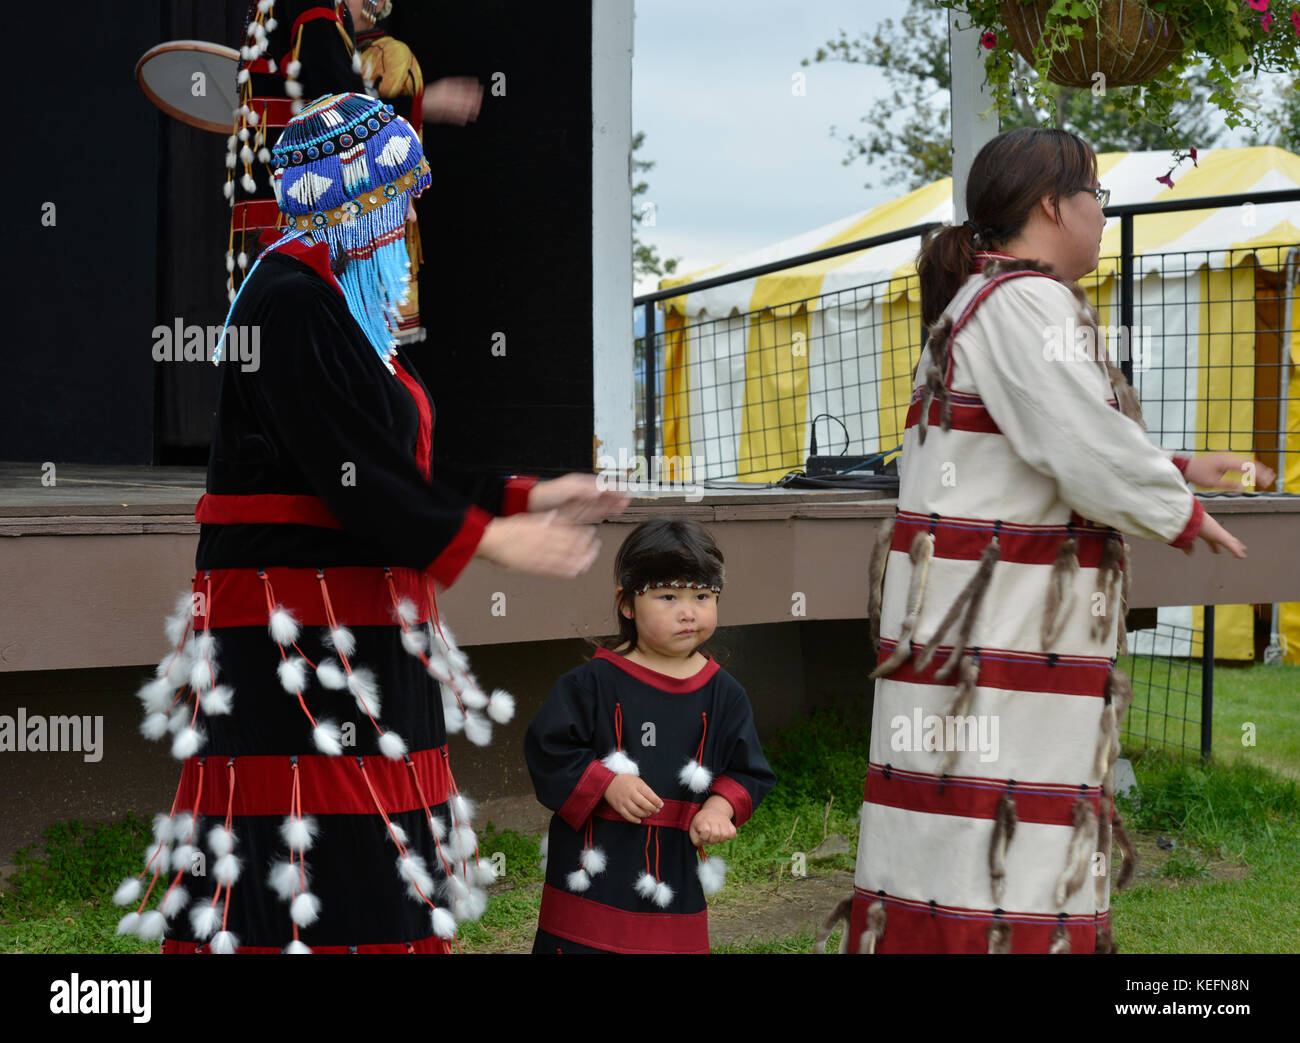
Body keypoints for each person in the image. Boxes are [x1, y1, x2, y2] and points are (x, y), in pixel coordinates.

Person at [114, 92, 627, 954]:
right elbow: (350, 473)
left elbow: (390, 468)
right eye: (397, 202)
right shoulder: (286, 302)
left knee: (364, 832)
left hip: (358, 620)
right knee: (312, 837)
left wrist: (524, 494)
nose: (409, 222)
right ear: (353, 202)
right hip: (300, 629)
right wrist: (490, 540)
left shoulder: (335, 311)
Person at [852, 127, 1273, 955]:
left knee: (958, 826)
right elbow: (1077, 446)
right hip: (1002, 631)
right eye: (1097, 197)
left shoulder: (983, 299)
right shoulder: (1024, 301)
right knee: (1001, 834)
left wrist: (1177, 467)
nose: (1103, 215)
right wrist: (1180, 509)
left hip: (975, 628)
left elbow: (1044, 437)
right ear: (1053, 205)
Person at [524, 519, 776, 953]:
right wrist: (607, 783)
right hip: (591, 871)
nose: (688, 612)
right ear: (627, 604)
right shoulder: (592, 684)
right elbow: (548, 749)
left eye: (702, 596)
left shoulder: (725, 695)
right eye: (668, 596)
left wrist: (718, 808)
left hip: (672, 872)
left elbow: (748, 771)